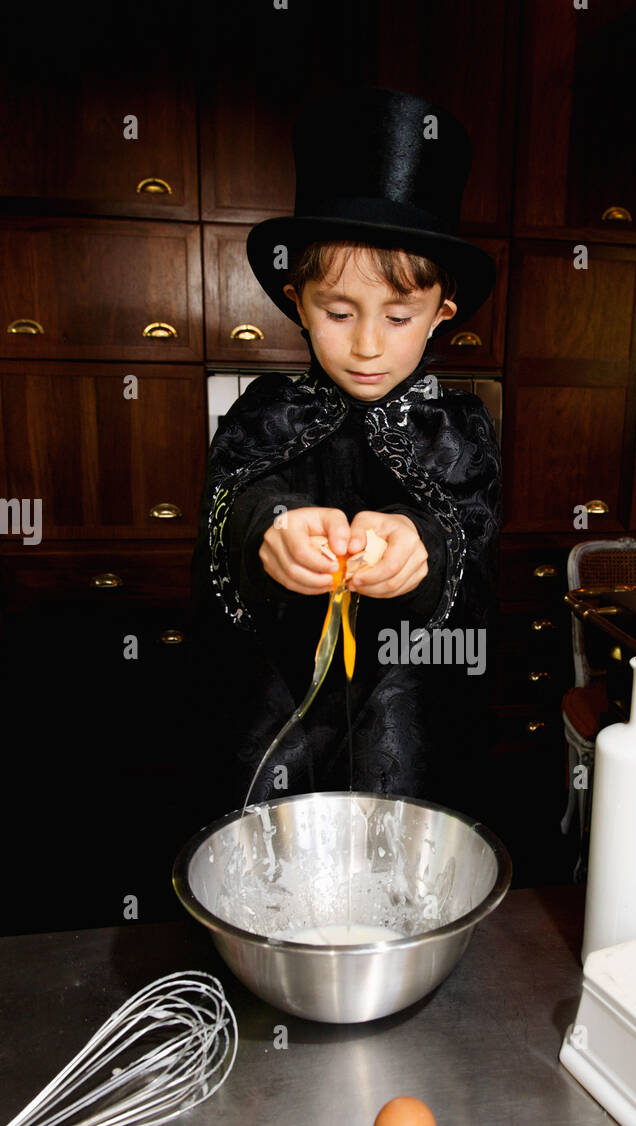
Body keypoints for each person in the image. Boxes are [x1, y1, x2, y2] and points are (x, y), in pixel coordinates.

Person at [187, 87, 501, 822]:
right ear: (296, 301)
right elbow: (228, 505)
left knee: (403, 859)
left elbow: (468, 540)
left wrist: (419, 546)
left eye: (398, 316)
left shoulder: (458, 428)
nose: (366, 345)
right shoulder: (265, 412)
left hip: (411, 719)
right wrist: (268, 526)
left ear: (438, 316)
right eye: (337, 312)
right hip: (270, 710)